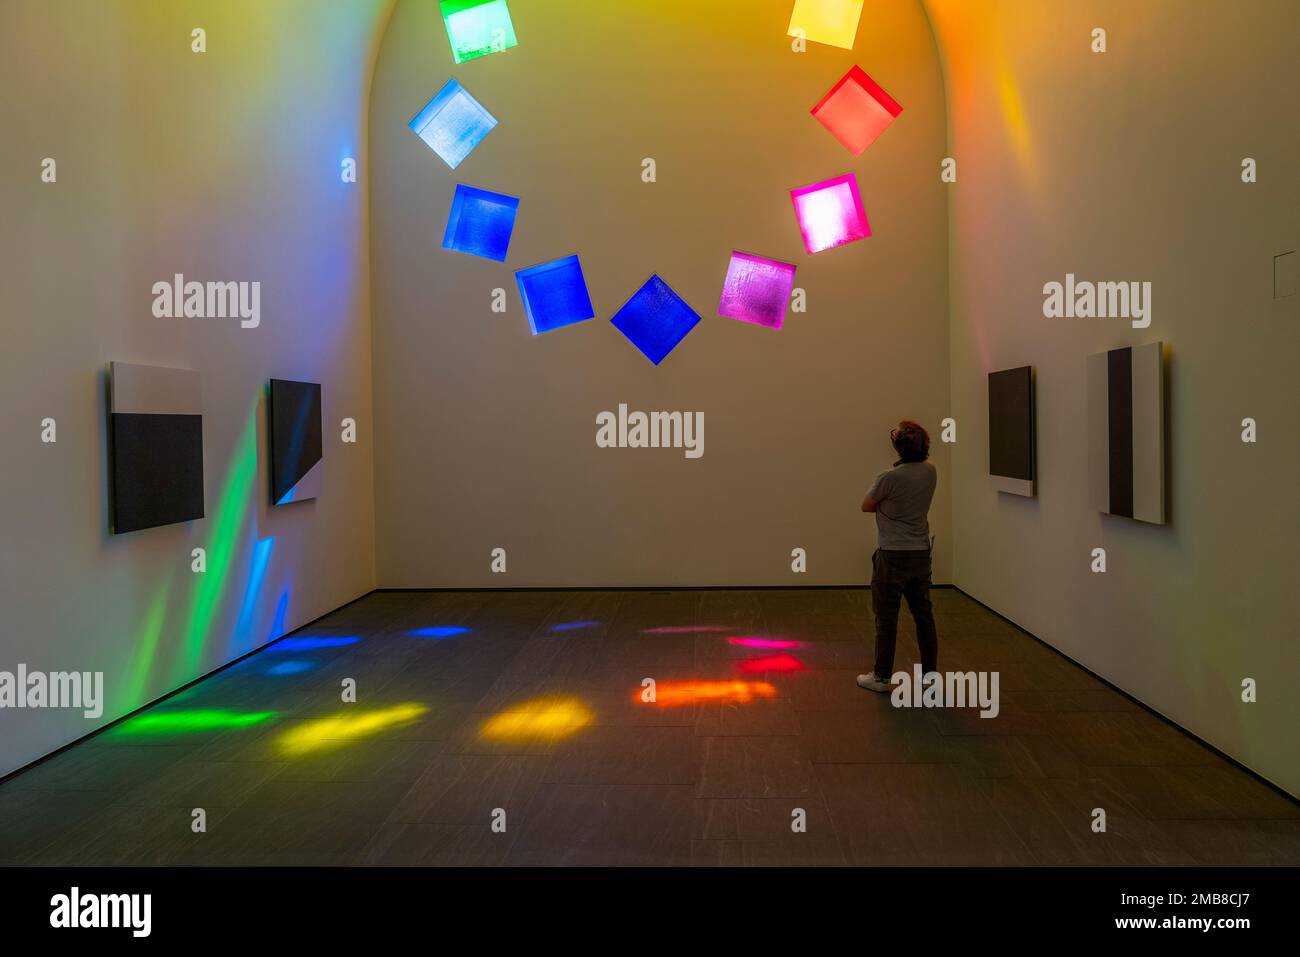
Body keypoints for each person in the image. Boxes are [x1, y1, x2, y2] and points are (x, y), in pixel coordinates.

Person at [857, 420, 938, 693]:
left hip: (892, 554)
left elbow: (867, 505)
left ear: (898, 447)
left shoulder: (888, 478)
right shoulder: (930, 472)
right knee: (923, 615)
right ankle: (930, 677)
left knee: (886, 617)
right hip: (920, 554)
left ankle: (880, 677)